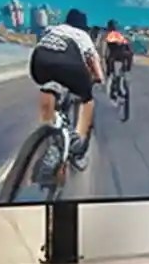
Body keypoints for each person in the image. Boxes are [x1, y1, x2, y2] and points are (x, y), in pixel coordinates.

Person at [30, 8, 104, 159]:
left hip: (38, 63)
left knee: (49, 83)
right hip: (68, 65)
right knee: (87, 99)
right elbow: (92, 59)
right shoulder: (82, 34)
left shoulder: (53, 29)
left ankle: (47, 128)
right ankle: (78, 139)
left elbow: (43, 45)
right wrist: (99, 77)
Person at [103, 20, 134, 95]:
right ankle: (124, 72)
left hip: (113, 56)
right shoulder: (118, 35)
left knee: (111, 72)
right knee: (121, 70)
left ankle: (115, 78)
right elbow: (127, 46)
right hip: (121, 55)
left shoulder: (108, 35)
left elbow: (104, 50)